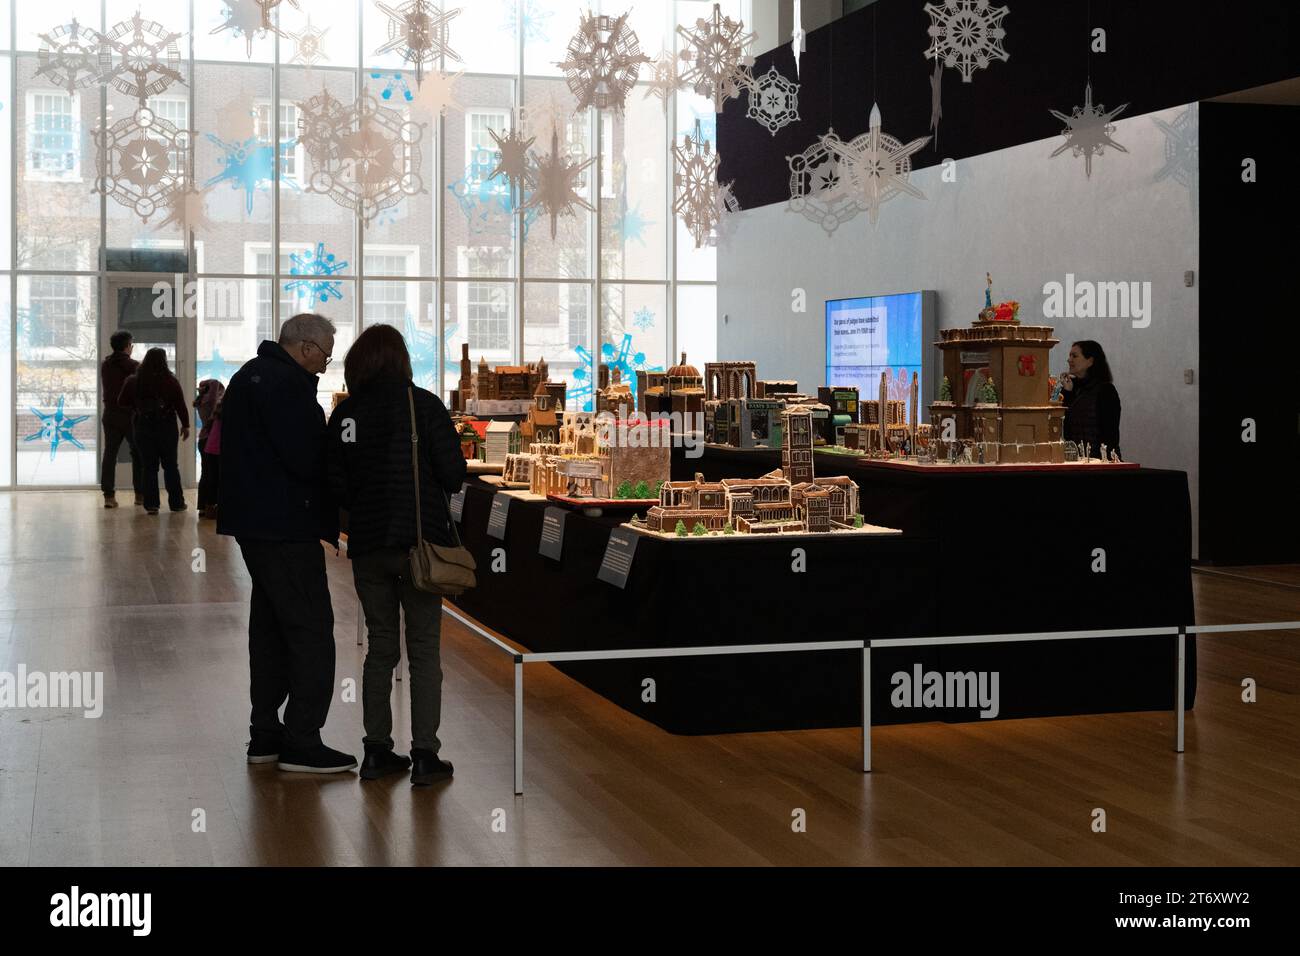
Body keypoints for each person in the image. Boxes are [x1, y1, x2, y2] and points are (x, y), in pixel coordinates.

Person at [326, 324, 465, 786]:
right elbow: (452, 473)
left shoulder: (346, 414)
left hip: (368, 546)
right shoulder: (423, 405)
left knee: (380, 648)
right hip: (419, 546)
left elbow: (336, 483)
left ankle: (376, 751)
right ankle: (425, 755)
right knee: (424, 650)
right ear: (401, 359)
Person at [218, 313, 354, 774]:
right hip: (286, 525)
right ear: (305, 346)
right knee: (311, 630)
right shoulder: (287, 386)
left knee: (271, 628)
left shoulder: (248, 377)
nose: (325, 364)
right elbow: (304, 456)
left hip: (254, 523)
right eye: (325, 353)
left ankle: (265, 735)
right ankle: (302, 739)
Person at [118, 348, 189, 515]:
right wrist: (186, 425)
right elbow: (180, 405)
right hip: (167, 427)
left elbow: (121, 401)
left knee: (149, 467)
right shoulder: (170, 381)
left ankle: (151, 505)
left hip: (143, 427)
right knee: (171, 466)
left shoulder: (133, 380)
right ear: (164, 361)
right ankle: (177, 503)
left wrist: (137, 408)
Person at [99, 330, 141, 509]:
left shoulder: (105, 365)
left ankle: (109, 496)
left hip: (110, 414)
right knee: (138, 454)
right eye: (131, 344)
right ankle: (140, 495)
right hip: (131, 415)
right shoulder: (135, 366)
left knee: (110, 454)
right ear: (127, 346)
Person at [1062, 339, 1122, 460]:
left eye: (1075, 356)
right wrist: (1067, 394)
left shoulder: (1106, 391)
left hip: (1101, 463)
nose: (1069, 360)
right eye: (1069, 356)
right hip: (1079, 462)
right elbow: (1067, 431)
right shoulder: (1073, 389)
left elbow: (1110, 434)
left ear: (1090, 361)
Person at [194, 379, 225, 519]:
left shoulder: (202, 401)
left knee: (206, 475)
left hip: (203, 439)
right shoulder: (211, 403)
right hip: (210, 441)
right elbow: (213, 388)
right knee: (213, 476)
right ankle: (211, 506)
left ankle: (203, 507)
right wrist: (212, 383)